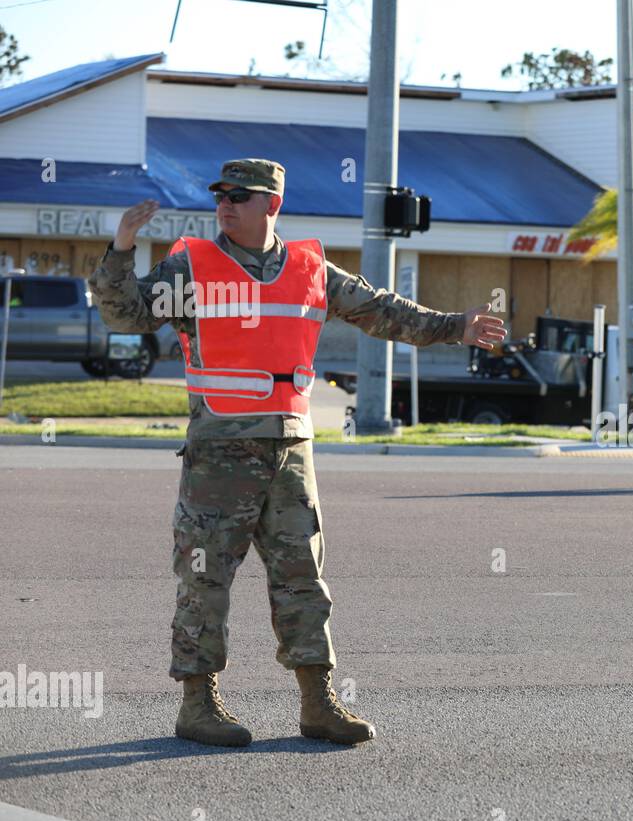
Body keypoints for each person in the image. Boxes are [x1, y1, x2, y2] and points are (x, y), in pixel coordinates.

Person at [88, 158, 506, 747]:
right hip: (219, 455)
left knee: (302, 578)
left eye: (241, 195)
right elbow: (123, 314)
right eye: (221, 195)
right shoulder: (194, 266)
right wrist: (122, 247)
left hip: (290, 449)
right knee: (205, 577)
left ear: (272, 205)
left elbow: (382, 310)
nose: (226, 203)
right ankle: (198, 703)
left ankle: (317, 702)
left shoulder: (310, 269)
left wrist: (452, 326)